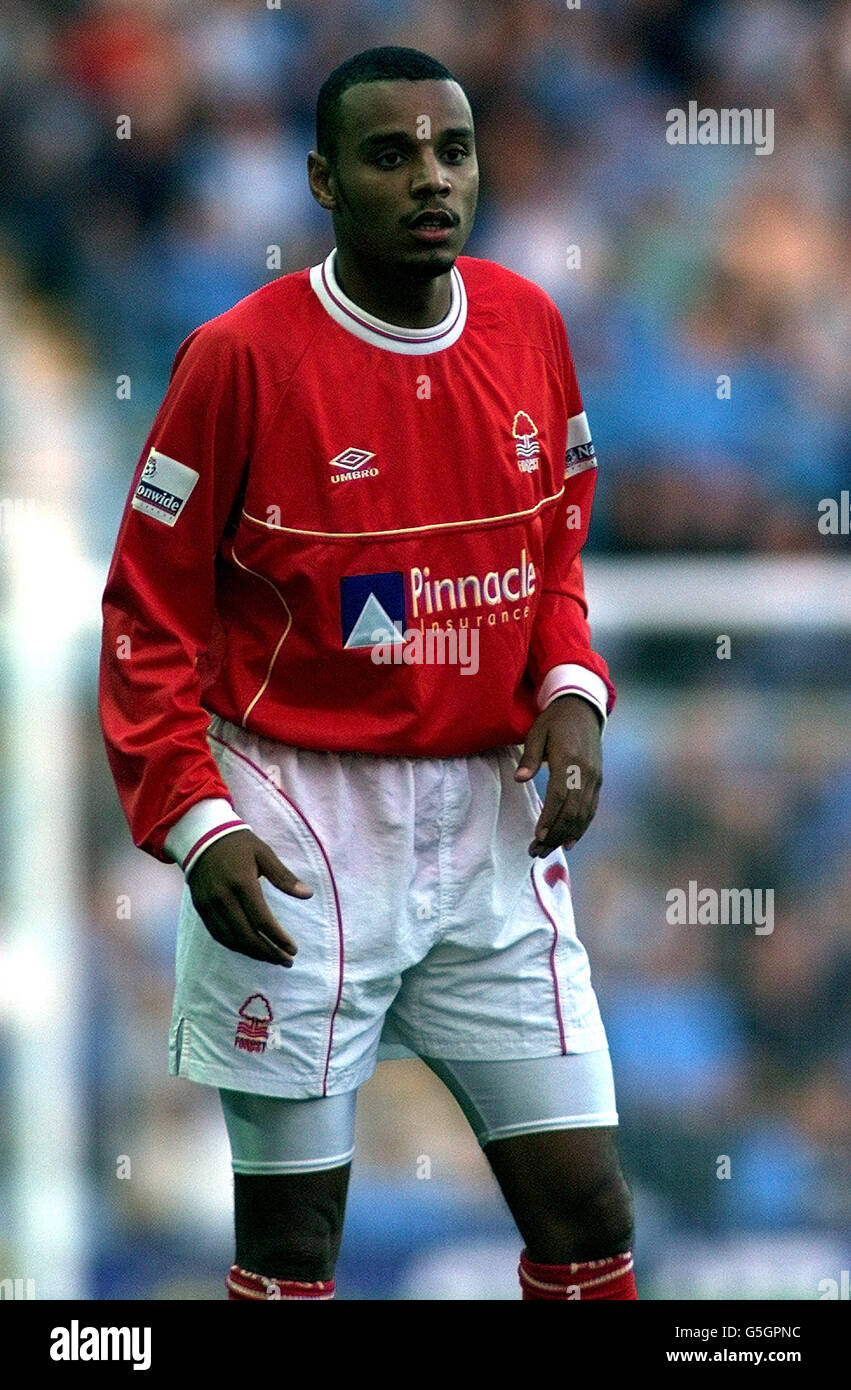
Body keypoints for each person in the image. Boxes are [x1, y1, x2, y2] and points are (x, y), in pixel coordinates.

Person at [99, 45, 636, 1302]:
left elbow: (554, 550)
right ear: (323, 182)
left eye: (450, 149)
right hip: (295, 818)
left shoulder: (529, 324)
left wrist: (568, 689)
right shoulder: (237, 360)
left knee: (588, 1213)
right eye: (389, 155)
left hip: (489, 824)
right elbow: (145, 615)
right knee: (292, 1249)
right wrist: (194, 818)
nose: (429, 178)